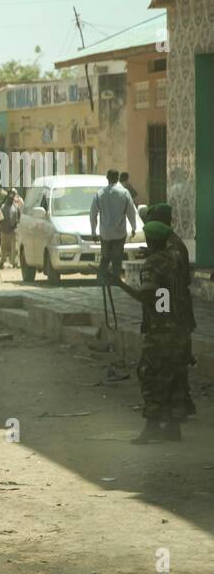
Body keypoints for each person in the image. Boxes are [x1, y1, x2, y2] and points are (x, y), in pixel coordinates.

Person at [111, 221, 190, 443]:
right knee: (175, 374)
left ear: (151, 241)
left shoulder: (152, 264)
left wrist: (119, 284)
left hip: (160, 329)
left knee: (149, 374)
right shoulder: (176, 259)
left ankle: (152, 425)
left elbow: (148, 297)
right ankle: (174, 427)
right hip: (180, 327)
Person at [146, 202, 197, 416]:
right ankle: (181, 406)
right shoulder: (170, 245)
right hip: (175, 310)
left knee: (169, 362)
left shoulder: (170, 250)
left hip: (173, 313)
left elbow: (161, 293)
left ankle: (170, 408)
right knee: (177, 361)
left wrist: (159, 315)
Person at [89, 169, 138, 283]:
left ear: (107, 178)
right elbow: (131, 211)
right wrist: (134, 227)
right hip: (119, 233)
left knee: (105, 258)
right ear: (117, 178)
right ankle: (115, 280)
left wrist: (93, 232)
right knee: (117, 258)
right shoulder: (124, 193)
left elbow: (93, 213)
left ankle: (101, 280)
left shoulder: (100, 194)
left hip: (105, 233)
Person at [0, 191, 21, 269]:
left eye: (11, 198)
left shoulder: (16, 207)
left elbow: (19, 217)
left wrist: (15, 225)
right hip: (4, 230)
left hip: (13, 230)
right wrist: (1, 227)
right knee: (3, 247)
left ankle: (14, 263)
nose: (10, 199)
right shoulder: (2, 207)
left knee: (15, 248)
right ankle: (2, 262)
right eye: (9, 198)